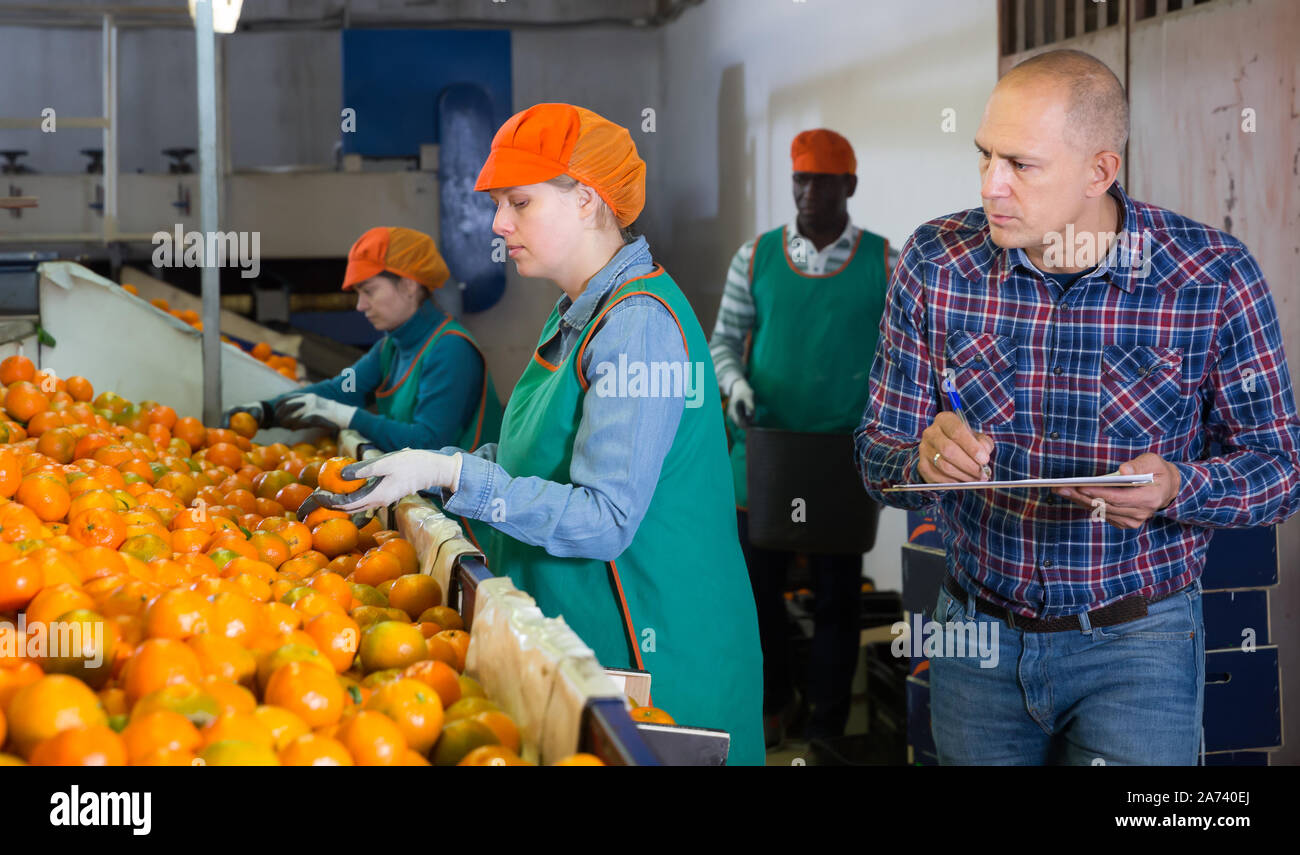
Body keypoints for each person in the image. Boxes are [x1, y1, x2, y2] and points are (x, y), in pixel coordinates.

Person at [855, 49, 1300, 765]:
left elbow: (1281, 471)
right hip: (975, 635)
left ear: (1101, 170)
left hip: (1139, 644)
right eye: (984, 156)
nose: (991, 185)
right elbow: (877, 452)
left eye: (1021, 165)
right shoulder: (935, 262)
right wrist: (920, 458)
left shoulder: (1212, 277)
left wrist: (1178, 489)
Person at [304, 103, 765, 765]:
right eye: (499, 204)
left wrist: (453, 475)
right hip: (588, 645)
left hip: (654, 660)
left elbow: (604, 517)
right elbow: (533, 459)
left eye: (518, 203)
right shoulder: (580, 311)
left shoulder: (638, 324)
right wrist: (426, 467)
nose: (497, 224)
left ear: (586, 201)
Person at [710, 129, 890, 746]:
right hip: (765, 455)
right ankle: (772, 703)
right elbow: (723, 344)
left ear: (850, 186)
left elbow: (902, 358)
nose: (809, 193)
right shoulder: (754, 258)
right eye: (800, 180)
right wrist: (733, 385)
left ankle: (827, 726)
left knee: (838, 596)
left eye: (823, 180)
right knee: (757, 592)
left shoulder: (884, 263)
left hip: (842, 458)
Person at [223, 226, 503, 458]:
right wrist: (267, 410)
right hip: (421, 509)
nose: (360, 306)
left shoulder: (451, 349)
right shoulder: (391, 348)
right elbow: (339, 391)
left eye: (369, 291)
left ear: (409, 285)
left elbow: (427, 443)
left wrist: (347, 417)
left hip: (460, 520)